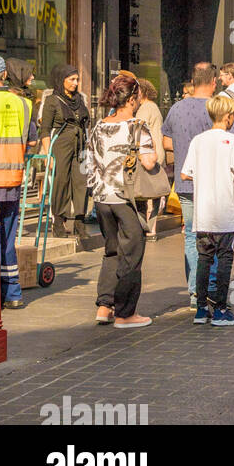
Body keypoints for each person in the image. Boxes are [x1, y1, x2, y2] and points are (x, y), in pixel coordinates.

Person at [87, 72, 157, 329]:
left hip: (102, 197)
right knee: (132, 253)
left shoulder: (99, 125)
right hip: (126, 198)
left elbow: (90, 160)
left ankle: (105, 306)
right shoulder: (137, 127)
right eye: (137, 96)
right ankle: (126, 314)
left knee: (112, 249)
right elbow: (149, 161)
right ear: (131, 98)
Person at [180, 94, 234, 326]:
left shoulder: (198, 140)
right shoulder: (232, 141)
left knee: (203, 260)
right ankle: (221, 310)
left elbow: (185, 173)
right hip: (225, 213)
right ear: (229, 116)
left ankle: (201, 310)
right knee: (224, 259)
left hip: (204, 213)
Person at [162, 64, 218, 308]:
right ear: (214, 81)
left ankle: (196, 292)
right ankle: (212, 289)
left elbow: (165, 142)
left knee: (192, 236)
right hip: (213, 184)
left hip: (185, 184)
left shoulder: (176, 108)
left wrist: (187, 148)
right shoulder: (216, 108)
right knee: (214, 236)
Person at [0, 54, 36, 309]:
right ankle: (12, 294)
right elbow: (31, 143)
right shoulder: (23, 104)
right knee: (8, 236)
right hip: (11, 178)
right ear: (3, 75)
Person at [38, 63, 90, 242]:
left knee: (81, 182)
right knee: (61, 182)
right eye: (72, 79)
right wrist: (48, 154)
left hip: (80, 146)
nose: (76, 83)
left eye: (77, 79)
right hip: (60, 145)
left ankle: (79, 222)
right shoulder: (52, 101)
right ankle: (59, 221)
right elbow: (44, 130)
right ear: (62, 80)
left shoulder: (79, 99)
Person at [133, 78, 169, 241]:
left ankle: (149, 228)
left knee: (146, 192)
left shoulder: (145, 108)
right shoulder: (154, 107)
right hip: (158, 151)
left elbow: (138, 129)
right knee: (154, 194)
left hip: (149, 153)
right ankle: (152, 227)